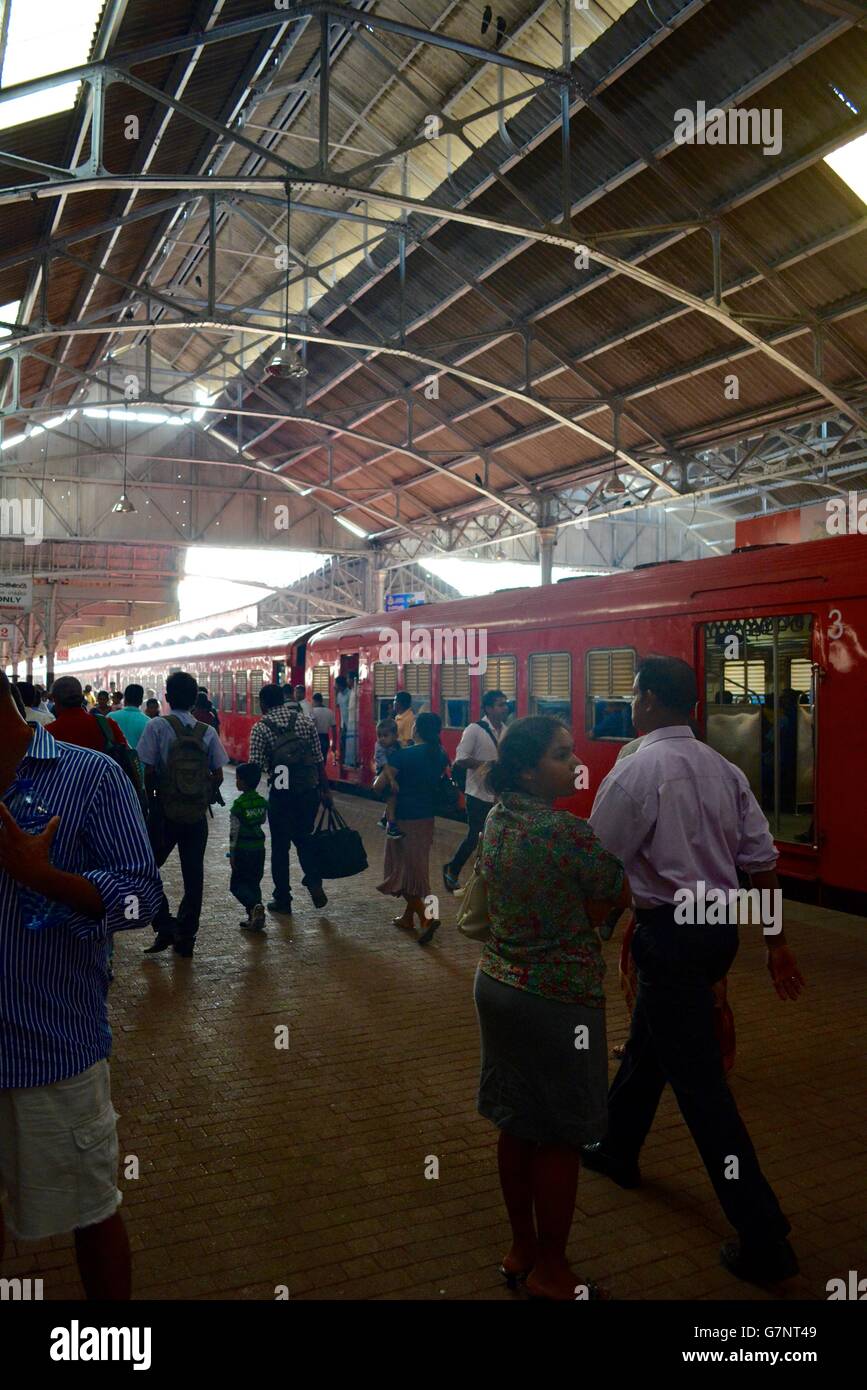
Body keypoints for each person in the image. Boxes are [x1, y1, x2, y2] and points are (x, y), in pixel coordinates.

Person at [585, 655, 805, 1285]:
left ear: (651, 700)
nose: (629, 706)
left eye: (632, 695)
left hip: (671, 936)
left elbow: (600, 862)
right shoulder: (723, 768)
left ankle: (764, 1235)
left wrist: (591, 921)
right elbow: (761, 860)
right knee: (653, 1046)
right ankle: (617, 1147)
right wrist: (775, 942)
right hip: (718, 932)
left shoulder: (638, 769)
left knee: (703, 1090)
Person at [0, 668, 162, 1300]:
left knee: (92, 1210)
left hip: (54, 1048)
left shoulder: (91, 777)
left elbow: (143, 901)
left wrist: (48, 879)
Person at [474, 715, 629, 1300]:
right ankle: (554, 1270)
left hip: (498, 985)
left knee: (516, 1125)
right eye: (562, 755)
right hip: (558, 1000)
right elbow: (620, 885)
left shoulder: (496, 818)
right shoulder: (566, 833)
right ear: (526, 767)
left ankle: (522, 1250)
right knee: (561, 1136)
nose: (575, 763)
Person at [137, 670, 229, 958]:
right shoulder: (208, 731)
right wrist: (201, 793)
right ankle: (186, 936)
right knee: (194, 875)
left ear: (166, 696)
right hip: (196, 817)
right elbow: (218, 773)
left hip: (164, 814)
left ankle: (164, 925)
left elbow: (148, 770)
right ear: (194, 700)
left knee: (147, 869)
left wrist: (154, 800)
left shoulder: (157, 726)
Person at [249, 683, 332, 915]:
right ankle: (314, 881)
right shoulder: (305, 722)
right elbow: (318, 760)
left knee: (280, 848)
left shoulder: (261, 728)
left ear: (263, 703)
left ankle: (283, 898)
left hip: (281, 794)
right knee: (305, 839)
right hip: (308, 792)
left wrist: (251, 800)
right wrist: (326, 791)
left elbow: (255, 767)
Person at [375, 712, 449, 945]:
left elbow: (379, 787)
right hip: (426, 819)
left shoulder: (403, 756)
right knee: (417, 869)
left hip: (403, 820)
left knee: (399, 872)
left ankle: (427, 917)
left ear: (415, 729)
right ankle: (408, 919)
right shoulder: (440, 754)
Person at [442, 689, 508, 892]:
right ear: (488, 708)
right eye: (500, 704)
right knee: (475, 836)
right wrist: (486, 765)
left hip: (497, 795)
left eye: (506, 704)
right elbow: (461, 758)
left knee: (494, 838)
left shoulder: (506, 730)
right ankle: (452, 869)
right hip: (477, 793)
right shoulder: (475, 729)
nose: (505, 708)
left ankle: (484, 879)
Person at [229, 762, 268, 933]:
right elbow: (262, 821)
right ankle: (254, 918)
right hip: (259, 849)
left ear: (243, 782)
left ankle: (254, 906)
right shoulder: (261, 801)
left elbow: (234, 832)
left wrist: (232, 853)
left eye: (237, 779)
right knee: (254, 882)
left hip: (243, 850)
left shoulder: (238, 805)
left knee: (237, 885)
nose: (236, 782)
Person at [48, 677, 131, 754]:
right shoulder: (107, 725)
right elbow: (127, 755)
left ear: (54, 699)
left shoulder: (47, 733)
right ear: (82, 698)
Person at [373, 717, 401, 836]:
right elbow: (385, 765)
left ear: (395, 735)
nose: (382, 739)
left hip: (392, 774)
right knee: (391, 799)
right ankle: (391, 826)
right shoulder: (379, 747)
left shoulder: (397, 745)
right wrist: (391, 780)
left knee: (392, 801)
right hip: (384, 774)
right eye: (379, 736)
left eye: (385, 735)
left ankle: (385, 819)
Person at [107, 684, 149, 751]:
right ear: (141, 701)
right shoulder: (148, 722)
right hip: (138, 760)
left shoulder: (110, 717)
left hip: (113, 761)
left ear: (124, 699)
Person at [310, 691, 336, 762]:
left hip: (314, 737)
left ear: (314, 700)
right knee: (323, 758)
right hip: (325, 738)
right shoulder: (330, 712)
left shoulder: (311, 711)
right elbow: (334, 729)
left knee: (313, 759)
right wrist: (334, 743)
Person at [335, 675, 350, 763]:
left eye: (336, 685)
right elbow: (336, 706)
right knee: (342, 743)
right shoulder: (339, 695)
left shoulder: (349, 693)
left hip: (350, 723)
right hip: (342, 723)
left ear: (340, 685)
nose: (335, 686)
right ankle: (343, 761)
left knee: (348, 743)